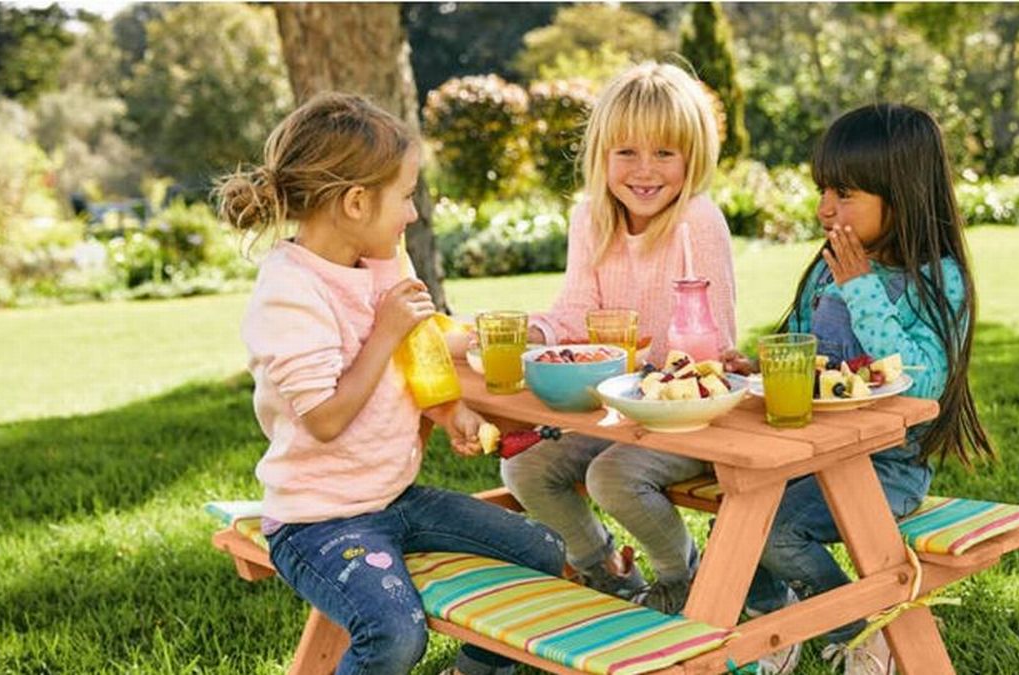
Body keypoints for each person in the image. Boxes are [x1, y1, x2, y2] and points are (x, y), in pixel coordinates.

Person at [216, 92, 565, 675]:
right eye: (405, 196)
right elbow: (325, 420)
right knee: (394, 634)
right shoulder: (289, 292)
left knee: (544, 552)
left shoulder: (380, 262)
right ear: (355, 202)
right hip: (316, 522)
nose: (413, 214)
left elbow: (417, 349)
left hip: (392, 499)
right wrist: (384, 332)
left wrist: (451, 412)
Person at [722, 103, 995, 675]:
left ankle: (868, 628)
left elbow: (923, 381)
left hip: (886, 468)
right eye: (823, 190)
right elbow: (802, 350)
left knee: (770, 529)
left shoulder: (937, 280)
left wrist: (863, 288)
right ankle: (776, 623)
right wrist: (756, 366)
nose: (824, 208)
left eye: (843, 194)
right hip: (811, 455)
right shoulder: (829, 268)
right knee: (740, 503)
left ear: (901, 194)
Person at [501, 61, 736, 614]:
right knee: (524, 468)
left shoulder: (695, 222)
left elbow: (711, 347)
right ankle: (603, 567)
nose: (644, 170)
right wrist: (525, 336)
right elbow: (575, 313)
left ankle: (685, 576)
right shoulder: (591, 219)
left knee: (611, 476)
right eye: (626, 152)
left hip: (683, 417)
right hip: (618, 411)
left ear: (692, 156)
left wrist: (657, 383)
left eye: (664, 153)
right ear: (602, 155)